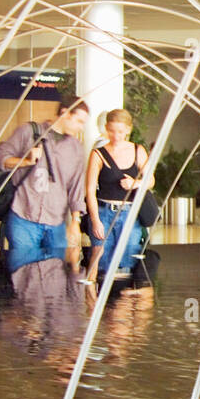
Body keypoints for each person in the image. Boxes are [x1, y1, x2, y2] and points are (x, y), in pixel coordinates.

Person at [0, 100, 89, 271]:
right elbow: (1, 158)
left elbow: (76, 187)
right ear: (65, 113)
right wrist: (25, 161)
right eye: (79, 121)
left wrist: (75, 222)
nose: (81, 127)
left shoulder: (75, 148)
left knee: (54, 277)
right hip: (24, 217)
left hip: (56, 222)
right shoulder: (28, 132)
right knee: (23, 274)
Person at [85, 108, 154, 279]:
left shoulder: (138, 151)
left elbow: (150, 180)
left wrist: (135, 183)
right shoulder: (98, 155)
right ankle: (99, 297)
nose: (116, 136)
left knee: (129, 254)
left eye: (121, 132)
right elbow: (89, 190)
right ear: (106, 128)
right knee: (101, 256)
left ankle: (123, 298)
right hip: (104, 212)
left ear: (128, 130)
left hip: (129, 212)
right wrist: (95, 220)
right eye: (112, 131)